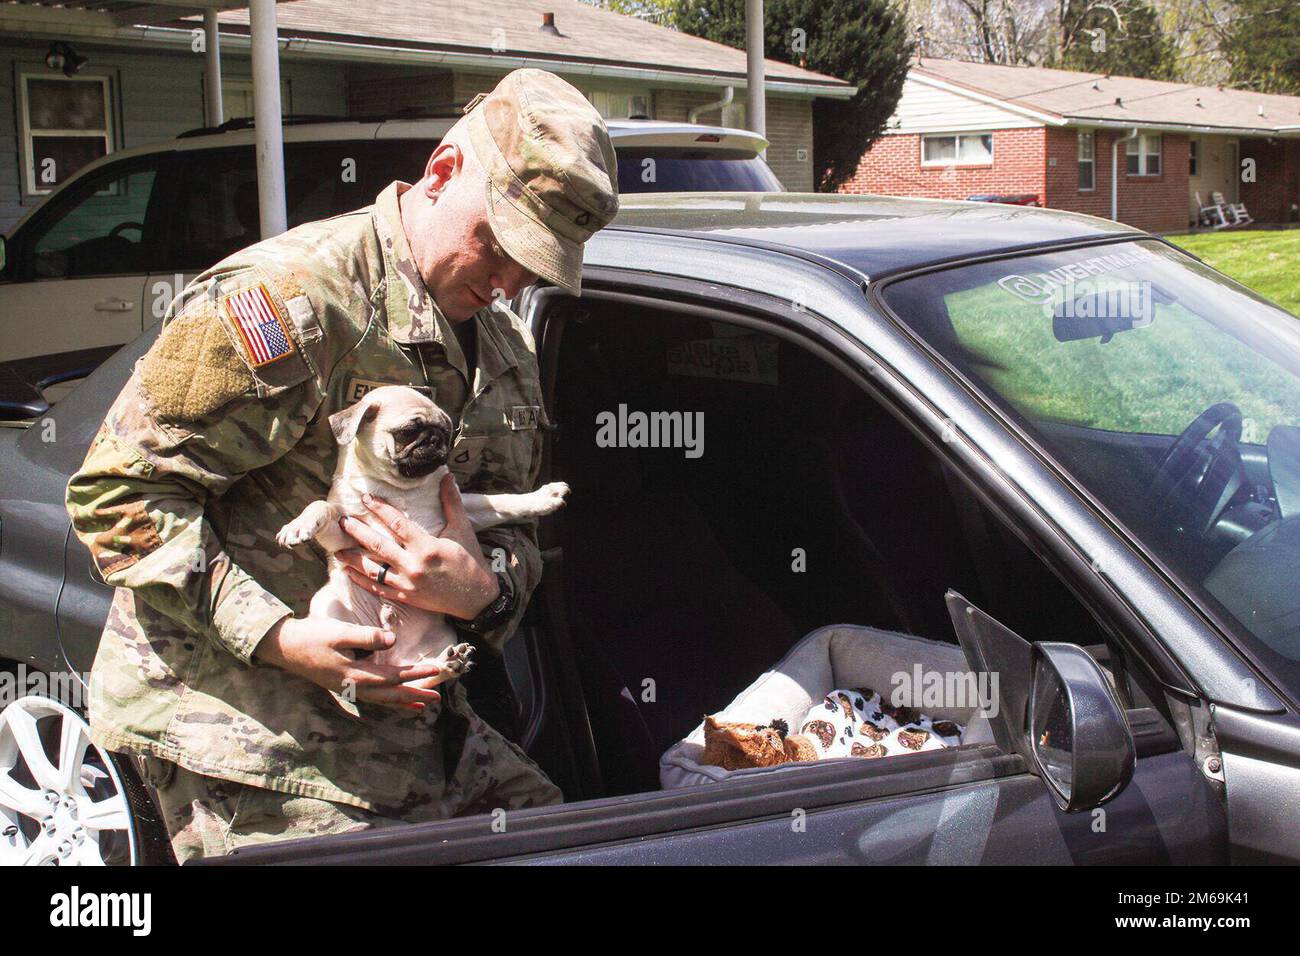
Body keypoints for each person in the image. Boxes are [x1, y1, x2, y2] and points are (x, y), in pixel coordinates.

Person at [64, 69, 619, 862]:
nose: (508, 282)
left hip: (410, 717)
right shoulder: (290, 303)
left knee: (585, 849)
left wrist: (481, 588)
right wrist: (283, 638)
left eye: (536, 265)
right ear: (443, 171)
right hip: (246, 729)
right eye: (498, 243)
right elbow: (118, 494)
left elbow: (508, 524)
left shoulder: (505, 347)